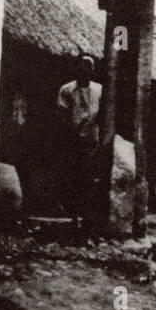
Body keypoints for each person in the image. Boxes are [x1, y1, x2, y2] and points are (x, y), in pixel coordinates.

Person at [56, 54, 103, 231]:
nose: (84, 69)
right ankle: (74, 217)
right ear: (76, 68)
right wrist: (72, 137)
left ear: (92, 70)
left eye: (88, 66)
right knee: (73, 180)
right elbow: (63, 116)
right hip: (73, 142)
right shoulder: (67, 90)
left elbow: (104, 115)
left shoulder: (100, 90)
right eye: (80, 65)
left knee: (90, 180)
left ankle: (88, 218)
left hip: (93, 142)